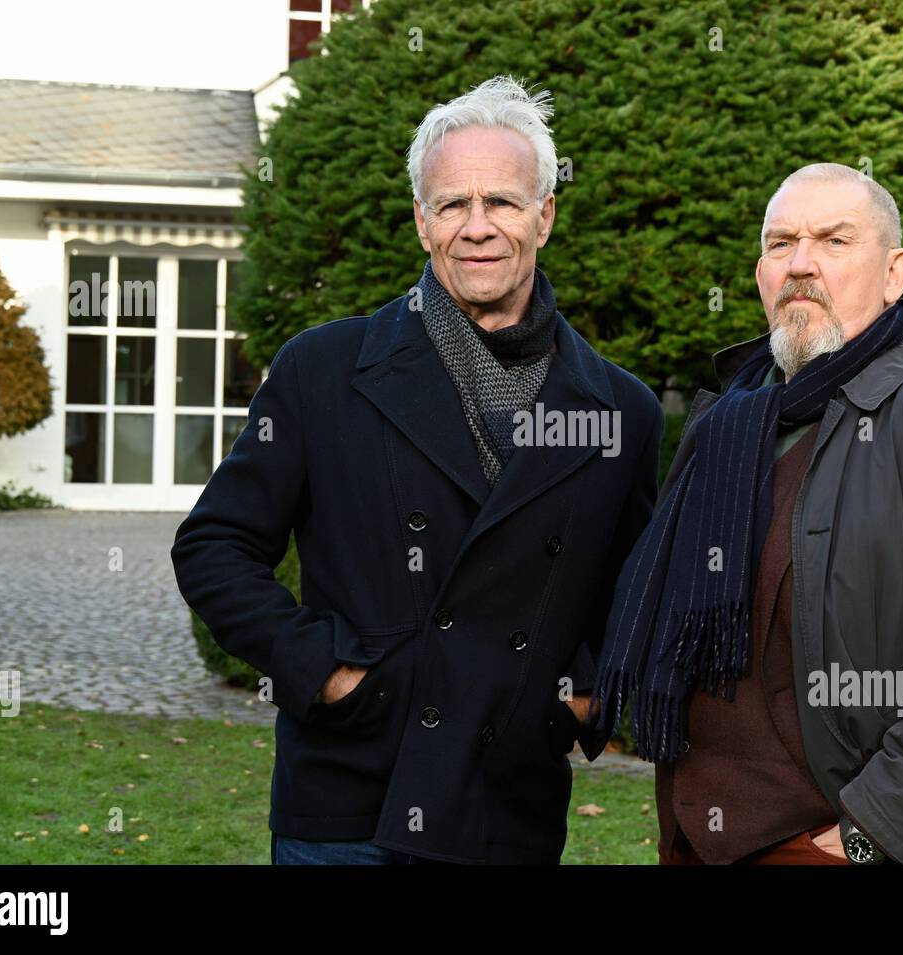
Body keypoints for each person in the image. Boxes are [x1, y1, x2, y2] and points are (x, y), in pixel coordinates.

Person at [172, 76, 663, 865]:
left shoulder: (621, 409)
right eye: (451, 205)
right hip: (351, 801)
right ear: (420, 222)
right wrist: (324, 670)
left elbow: (635, 590)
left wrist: (581, 695)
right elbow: (213, 546)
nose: (477, 228)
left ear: (545, 215)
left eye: (501, 202)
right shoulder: (322, 369)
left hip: (508, 808)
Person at [592, 162, 903, 865]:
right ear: (760, 274)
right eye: (781, 244)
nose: (801, 264)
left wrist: (868, 831)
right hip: (699, 839)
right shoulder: (724, 426)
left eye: (834, 241)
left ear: (895, 272)